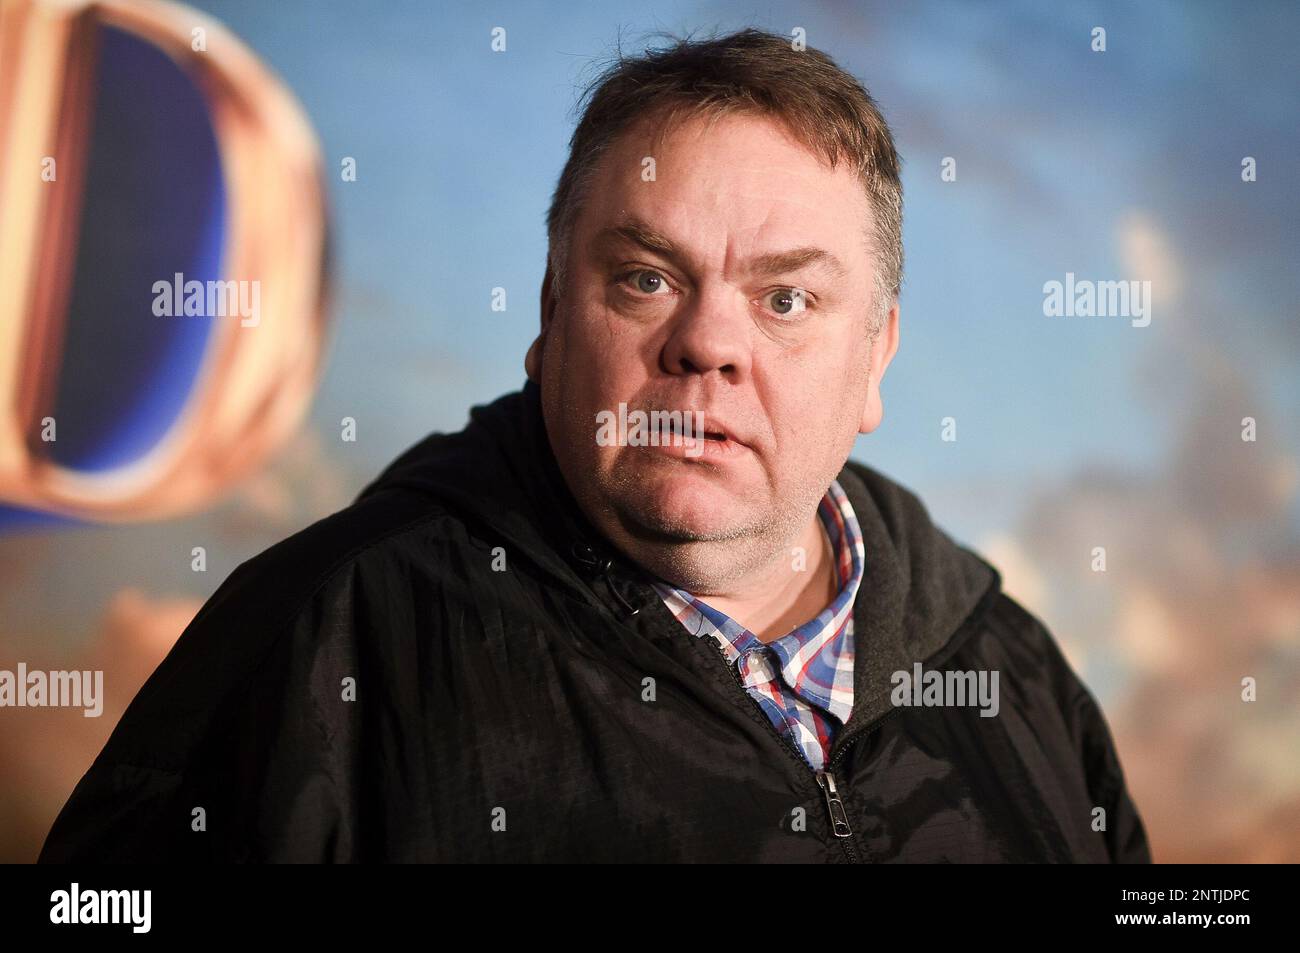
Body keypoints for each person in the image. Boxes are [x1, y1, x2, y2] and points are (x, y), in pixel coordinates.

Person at [40, 27, 1150, 863]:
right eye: (646, 278)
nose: (707, 342)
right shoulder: (318, 640)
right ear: (549, 314)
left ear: (876, 357)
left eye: (787, 300)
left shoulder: (1016, 676)